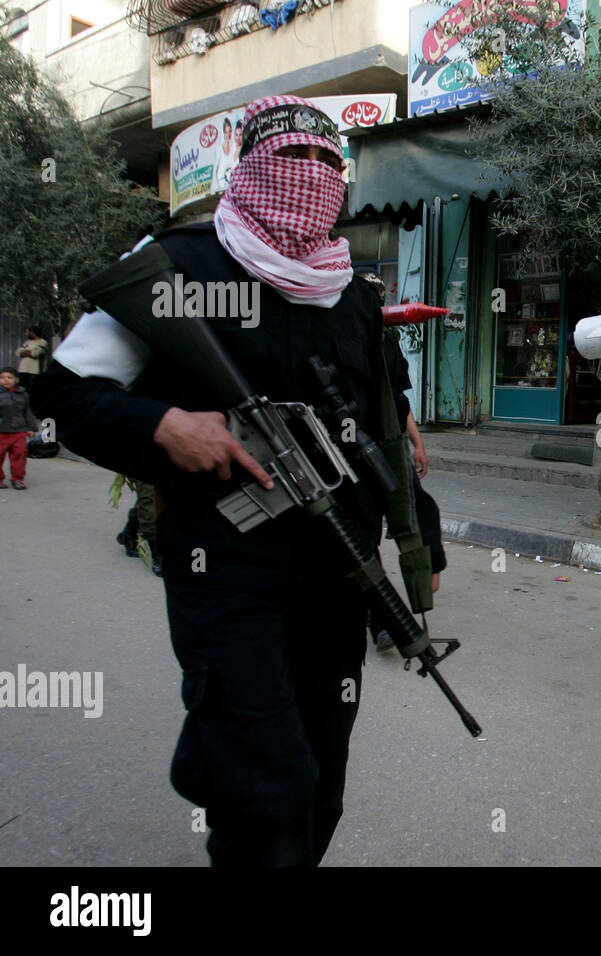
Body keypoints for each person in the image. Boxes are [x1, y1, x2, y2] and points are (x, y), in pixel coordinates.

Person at [33, 95, 446, 866]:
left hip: (337, 567)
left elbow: (377, 427)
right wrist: (164, 427)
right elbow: (60, 396)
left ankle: (219, 758)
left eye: (330, 164)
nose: (312, 178)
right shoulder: (173, 268)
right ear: (248, 168)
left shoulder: (350, 294)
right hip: (222, 566)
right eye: (293, 159)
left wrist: (417, 538)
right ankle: (228, 770)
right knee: (267, 787)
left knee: (320, 777)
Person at [357, 271, 445, 652]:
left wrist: (417, 444)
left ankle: (426, 573)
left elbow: (399, 401)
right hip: (357, 451)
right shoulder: (343, 335)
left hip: (391, 447)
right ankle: (380, 622)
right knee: (365, 536)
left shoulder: (388, 342)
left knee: (419, 508)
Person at [0, 366, 38, 490]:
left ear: (16, 380)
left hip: (19, 431)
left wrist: (31, 428)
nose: (6, 380)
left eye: (9, 377)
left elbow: (28, 412)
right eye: (2, 378)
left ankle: (17, 479)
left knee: (20, 455)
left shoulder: (23, 394)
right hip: (1, 431)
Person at [16, 326, 48, 391]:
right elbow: (18, 352)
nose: (26, 334)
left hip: (34, 370)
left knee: (33, 389)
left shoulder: (42, 342)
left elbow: (35, 353)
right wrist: (28, 352)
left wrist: (25, 352)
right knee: (22, 388)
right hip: (23, 369)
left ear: (32, 332)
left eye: (28, 332)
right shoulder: (27, 342)